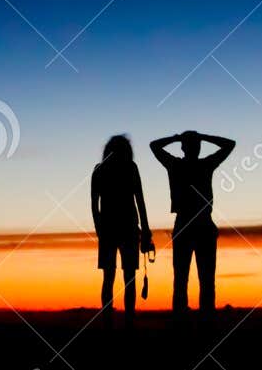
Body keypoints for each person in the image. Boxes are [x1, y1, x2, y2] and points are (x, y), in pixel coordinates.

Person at [149, 130, 235, 316]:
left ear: (183, 147)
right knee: (204, 281)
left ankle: (184, 325)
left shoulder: (176, 165)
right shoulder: (204, 165)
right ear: (197, 147)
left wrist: (177, 138)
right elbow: (229, 144)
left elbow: (154, 146)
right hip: (201, 225)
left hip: (188, 225)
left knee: (183, 280)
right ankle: (203, 325)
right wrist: (204, 136)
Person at [91, 134, 153, 326]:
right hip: (127, 229)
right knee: (128, 278)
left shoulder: (100, 171)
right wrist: (146, 229)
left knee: (110, 277)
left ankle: (110, 321)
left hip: (112, 230)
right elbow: (140, 201)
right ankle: (128, 321)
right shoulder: (130, 169)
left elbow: (94, 206)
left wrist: (100, 229)